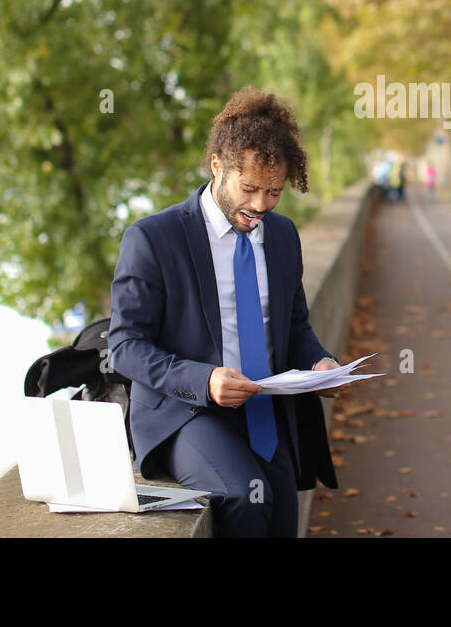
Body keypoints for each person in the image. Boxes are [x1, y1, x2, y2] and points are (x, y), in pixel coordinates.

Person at [108, 86, 343, 537]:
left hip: (262, 407)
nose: (259, 206)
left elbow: (294, 326)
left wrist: (319, 363)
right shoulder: (153, 239)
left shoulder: (282, 236)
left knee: (280, 515)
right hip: (187, 411)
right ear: (217, 166)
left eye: (274, 192)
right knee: (244, 495)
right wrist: (205, 380)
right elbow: (124, 346)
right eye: (249, 188)